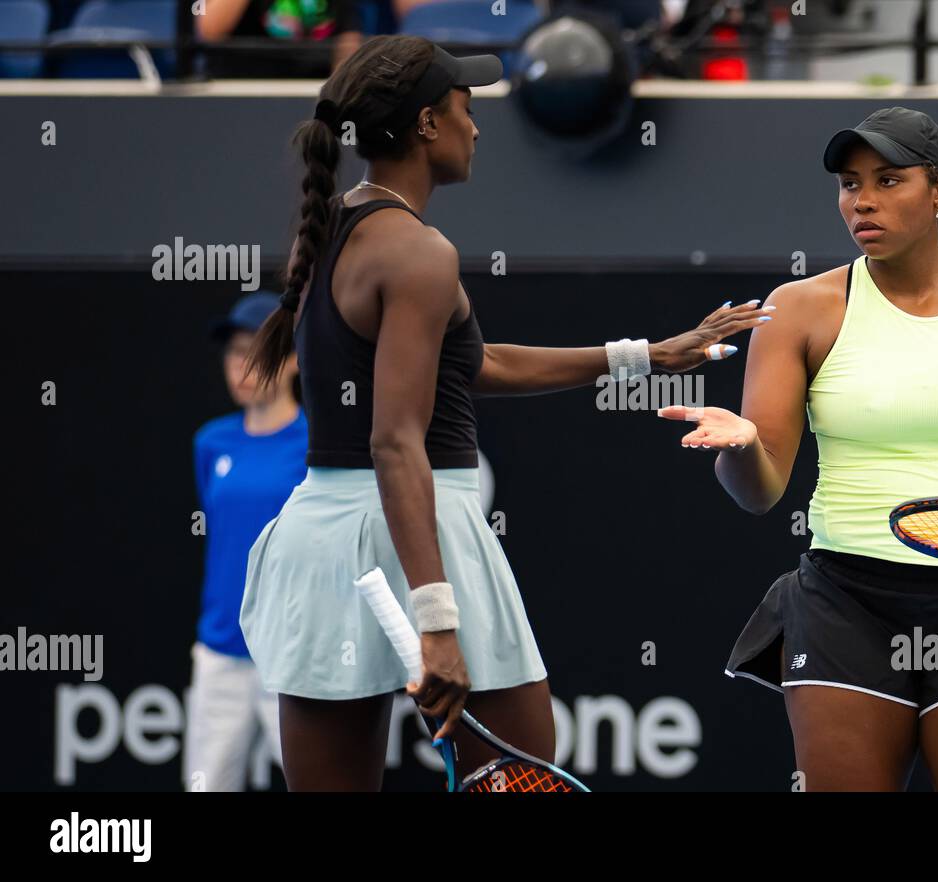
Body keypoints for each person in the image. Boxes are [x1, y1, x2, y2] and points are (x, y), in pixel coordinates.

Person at [238, 34, 771, 790]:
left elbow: (472, 365)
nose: (477, 126)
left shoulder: (330, 227)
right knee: (527, 779)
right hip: (425, 530)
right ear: (428, 124)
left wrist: (645, 355)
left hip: (322, 541)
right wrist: (437, 621)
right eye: (465, 106)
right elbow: (395, 442)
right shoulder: (419, 252)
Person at [659, 107, 938, 791]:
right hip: (845, 607)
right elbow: (759, 492)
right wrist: (742, 448)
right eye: (849, 183)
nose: (861, 200)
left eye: (888, 180)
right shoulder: (798, 309)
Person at [185, 291, 305, 791]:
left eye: (257, 351)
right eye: (235, 352)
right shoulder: (211, 442)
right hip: (221, 649)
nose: (242, 365)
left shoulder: (320, 444)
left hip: (295, 654)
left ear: (294, 360)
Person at [196, 0, 363, 79]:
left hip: (312, 92)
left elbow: (348, 39)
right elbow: (210, 31)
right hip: (240, 89)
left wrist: (335, 98)